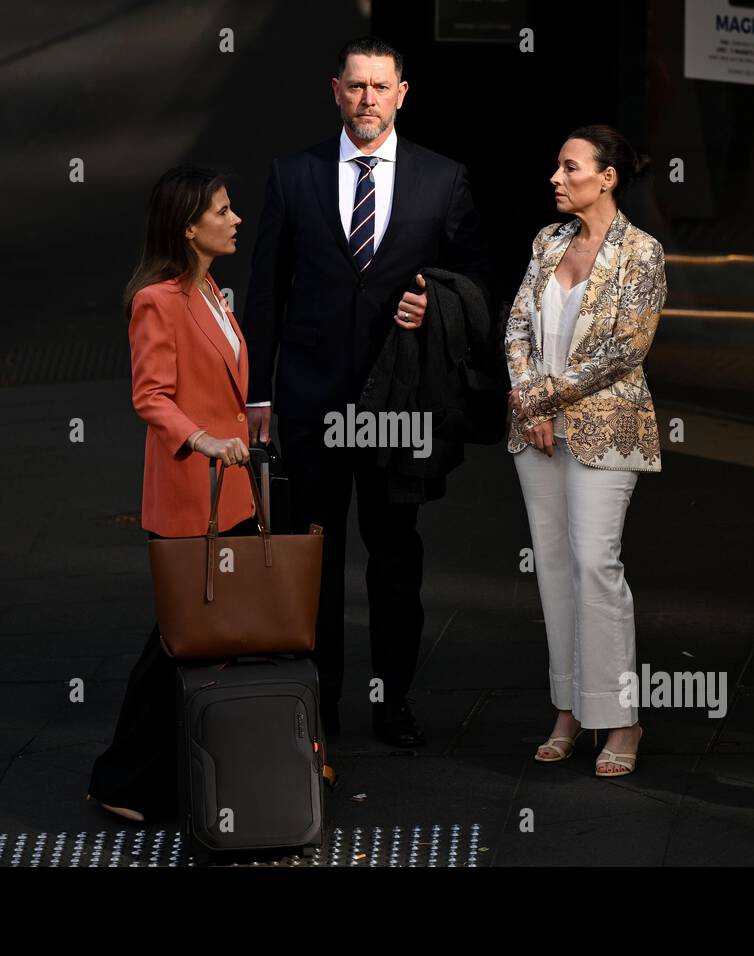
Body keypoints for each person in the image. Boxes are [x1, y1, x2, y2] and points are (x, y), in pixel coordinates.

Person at [242, 36, 489, 747]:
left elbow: (478, 285)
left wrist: (433, 304)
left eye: (381, 87)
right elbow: (266, 294)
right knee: (313, 560)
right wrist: (259, 397)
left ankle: (393, 702)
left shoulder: (442, 179)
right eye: (356, 86)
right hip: (312, 401)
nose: (368, 99)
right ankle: (319, 703)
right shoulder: (294, 175)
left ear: (402, 94)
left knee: (395, 558)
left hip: (398, 405)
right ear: (336, 90)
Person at [87, 165, 259, 822]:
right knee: (175, 643)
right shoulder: (158, 299)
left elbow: (221, 383)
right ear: (189, 227)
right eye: (222, 209)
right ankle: (122, 781)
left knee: (194, 638)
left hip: (232, 494)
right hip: (192, 500)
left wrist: (246, 421)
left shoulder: (209, 287)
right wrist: (205, 441)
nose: (235, 217)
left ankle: (167, 773)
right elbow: (150, 397)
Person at [506, 125, 666, 777]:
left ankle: (621, 720)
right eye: (556, 166)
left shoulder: (643, 253)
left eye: (569, 167)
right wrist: (529, 398)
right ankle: (570, 708)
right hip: (537, 434)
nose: (555, 177)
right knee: (552, 569)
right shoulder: (547, 241)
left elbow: (625, 349)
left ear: (607, 178)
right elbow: (517, 323)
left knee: (596, 566)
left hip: (606, 429)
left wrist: (542, 397)